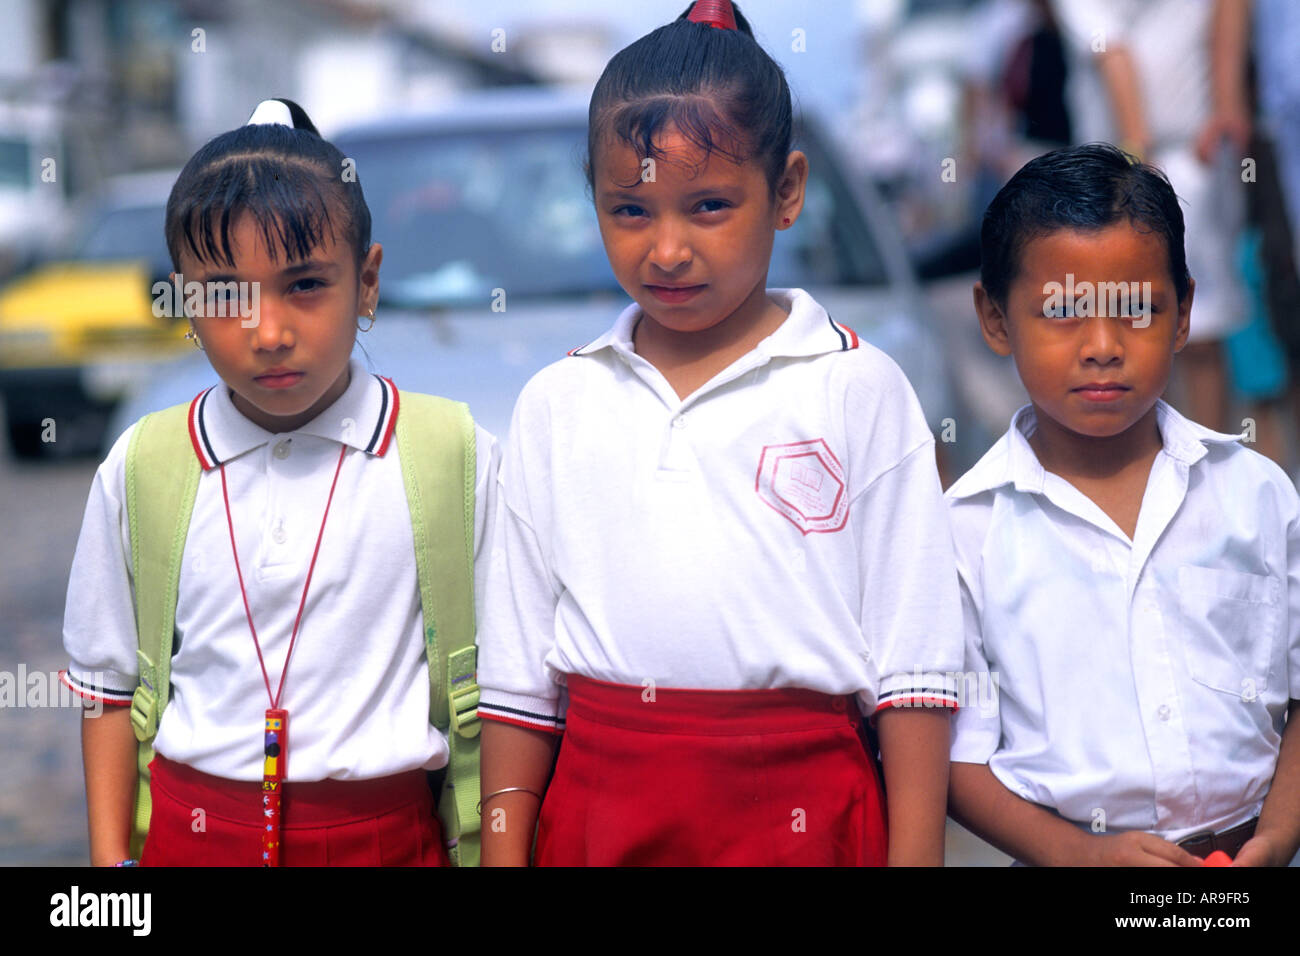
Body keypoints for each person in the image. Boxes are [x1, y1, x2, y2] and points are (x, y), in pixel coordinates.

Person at [476, 0, 963, 867]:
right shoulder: (560, 401)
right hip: (600, 813)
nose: (667, 250)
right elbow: (518, 679)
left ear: (787, 192)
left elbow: (915, 668)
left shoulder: (856, 387)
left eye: (708, 205)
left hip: (804, 815)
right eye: (631, 211)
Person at [60, 98, 498, 866]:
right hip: (193, 837)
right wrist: (110, 872)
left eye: (305, 286)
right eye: (228, 293)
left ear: (367, 283)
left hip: (387, 839)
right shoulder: (145, 465)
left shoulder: (450, 454)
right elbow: (105, 687)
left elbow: (512, 689)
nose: (269, 332)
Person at [948, 143, 1300, 866]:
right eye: (1064, 312)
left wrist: (1278, 838)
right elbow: (958, 761)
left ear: (1183, 314)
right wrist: (1082, 856)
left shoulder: (1255, 494)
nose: (1103, 346)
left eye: (1136, 310)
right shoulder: (965, 530)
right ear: (995, 317)